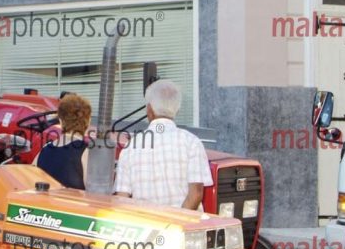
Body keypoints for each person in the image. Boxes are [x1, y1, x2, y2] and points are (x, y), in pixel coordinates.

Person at [114, 80, 212, 209]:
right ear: (177, 109)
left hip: (146, 224)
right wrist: (177, 225)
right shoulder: (192, 142)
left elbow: (122, 198)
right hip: (184, 225)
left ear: (149, 109)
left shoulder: (130, 147)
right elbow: (196, 194)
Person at [34, 93, 91, 190]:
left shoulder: (44, 150)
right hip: (72, 204)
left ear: (60, 121)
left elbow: (29, 180)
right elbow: (95, 193)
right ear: (88, 121)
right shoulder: (86, 152)